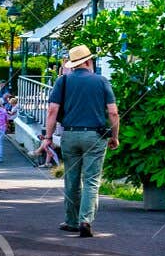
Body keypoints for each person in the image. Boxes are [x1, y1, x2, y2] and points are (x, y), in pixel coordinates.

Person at [38, 44, 120, 237]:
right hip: (95, 135)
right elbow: (113, 112)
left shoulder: (63, 81)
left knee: (72, 179)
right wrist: (114, 136)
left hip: (70, 135)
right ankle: (85, 220)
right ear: (89, 61)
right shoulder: (101, 81)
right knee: (91, 179)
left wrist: (48, 137)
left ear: (73, 64)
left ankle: (71, 221)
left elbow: (52, 111)